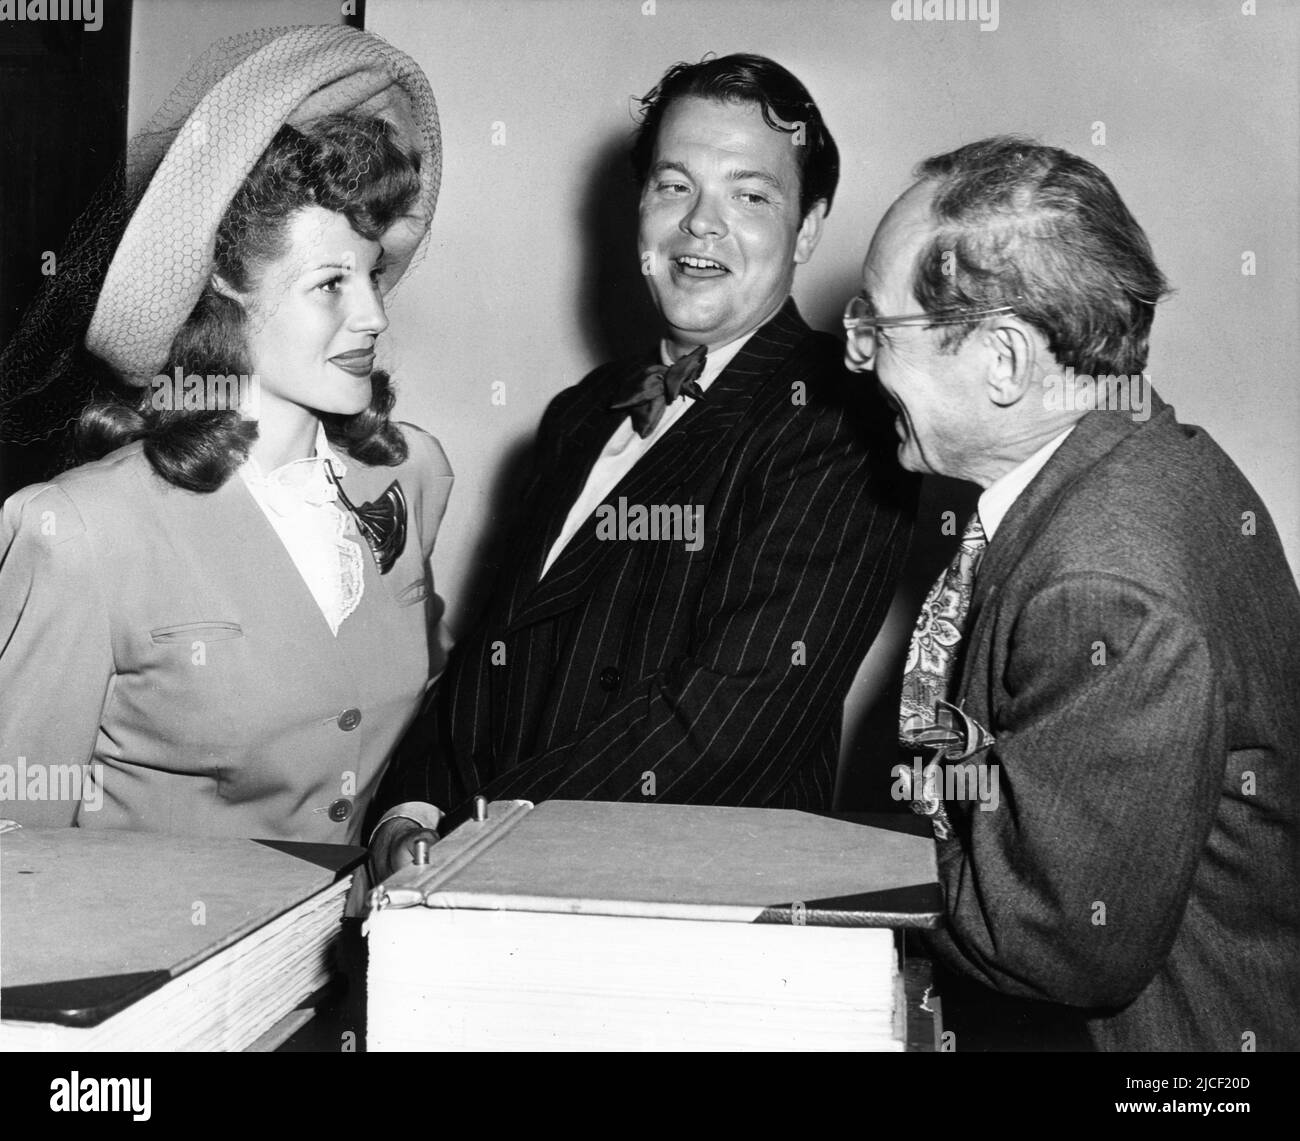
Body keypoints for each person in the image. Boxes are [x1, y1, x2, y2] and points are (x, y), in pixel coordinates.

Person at [372, 53, 915, 869]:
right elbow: (489, 658)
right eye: (674, 185)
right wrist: (407, 810)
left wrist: (483, 836)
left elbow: (736, 717)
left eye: (749, 194)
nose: (701, 223)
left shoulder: (844, 418)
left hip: (676, 908)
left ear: (806, 229)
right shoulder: (579, 414)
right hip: (474, 890)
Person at [845, 135, 1300, 1051]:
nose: (859, 361)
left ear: (1006, 361)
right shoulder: (1147, 458)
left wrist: (835, 866)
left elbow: (1054, 938)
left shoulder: (1103, 583)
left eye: (878, 329)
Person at [0, 26, 452, 845]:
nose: (375, 314)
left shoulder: (410, 476)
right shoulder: (81, 533)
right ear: (224, 282)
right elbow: (13, 848)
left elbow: (410, 732)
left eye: (374, 272)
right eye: (330, 284)